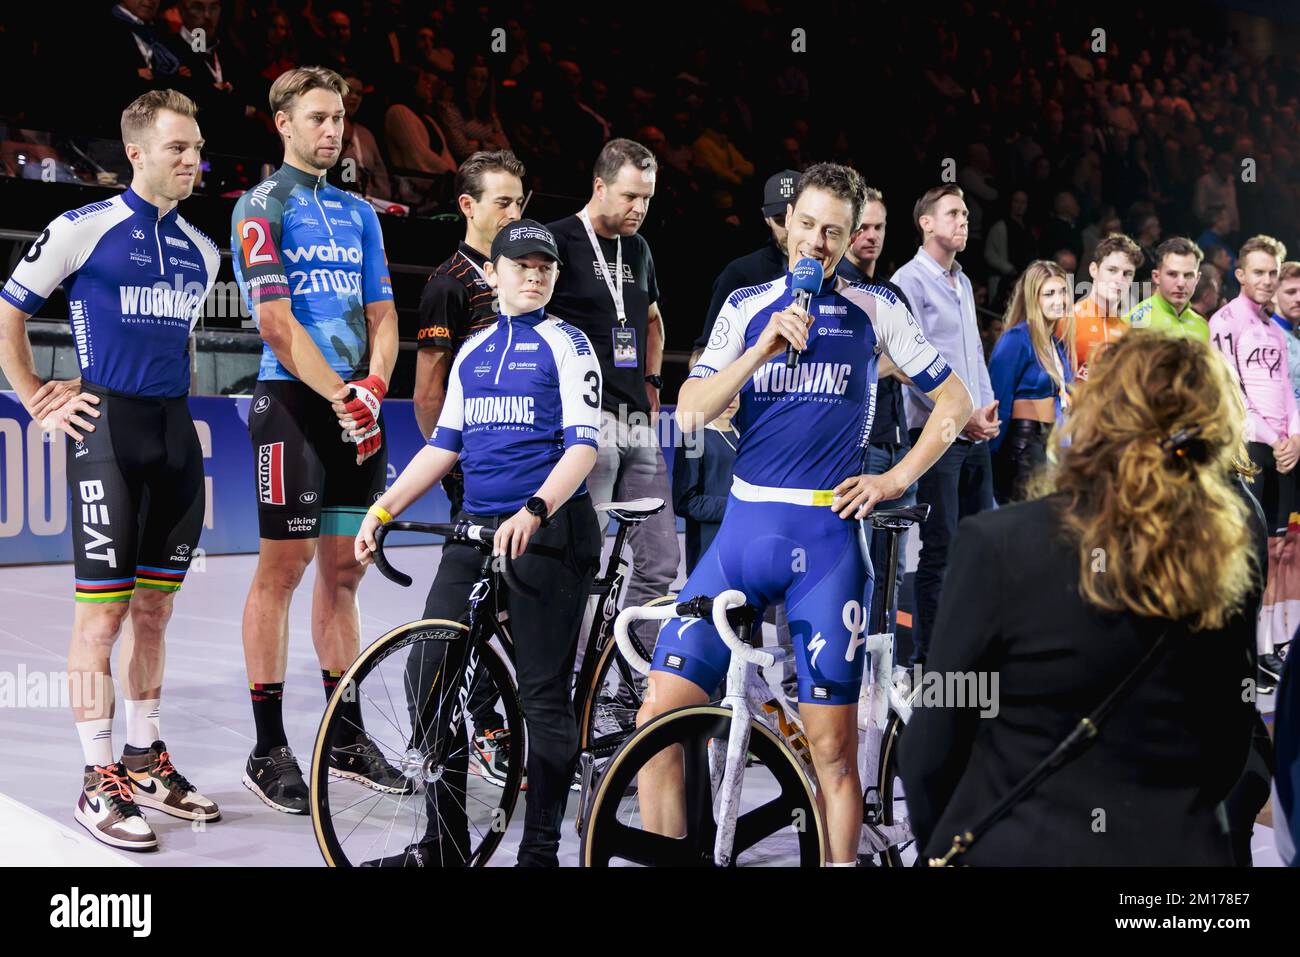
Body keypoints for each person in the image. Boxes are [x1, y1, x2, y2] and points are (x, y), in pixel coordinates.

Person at [639, 163, 973, 866]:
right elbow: (689, 415)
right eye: (810, 225)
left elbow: (956, 404)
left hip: (826, 550)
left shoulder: (877, 308)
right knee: (657, 720)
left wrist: (893, 478)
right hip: (739, 539)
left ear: (853, 237)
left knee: (833, 754)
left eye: (835, 230)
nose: (818, 241)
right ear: (787, 224)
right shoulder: (747, 304)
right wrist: (760, 348)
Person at [901, 331, 1262, 865]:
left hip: (1024, 845)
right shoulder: (1229, 547)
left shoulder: (998, 544)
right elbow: (1230, 739)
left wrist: (955, 842)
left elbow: (932, 743)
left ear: (1098, 415)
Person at [0, 90, 221, 849]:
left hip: (175, 438)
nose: (193, 160)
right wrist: (33, 396)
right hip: (106, 436)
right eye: (178, 149)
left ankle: (144, 757)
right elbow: (9, 310)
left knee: (155, 613)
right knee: (101, 616)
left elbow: (181, 346)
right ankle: (97, 780)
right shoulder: (81, 227)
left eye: (196, 148)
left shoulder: (204, 248)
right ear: (137, 152)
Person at [354, 220, 603, 866]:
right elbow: (444, 446)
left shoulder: (568, 344)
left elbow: (583, 446)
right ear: (491, 275)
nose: (534, 273)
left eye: (544, 265)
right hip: (479, 527)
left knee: (544, 695)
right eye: (520, 264)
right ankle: (444, 842)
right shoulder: (473, 351)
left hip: (549, 531)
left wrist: (538, 507)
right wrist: (382, 508)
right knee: (426, 674)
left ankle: (540, 853)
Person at [231, 66, 401, 814]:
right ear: (284, 125)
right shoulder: (259, 208)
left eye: (339, 118)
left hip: (354, 407)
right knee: (283, 570)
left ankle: (348, 737)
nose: (333, 131)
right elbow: (275, 323)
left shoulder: (361, 213)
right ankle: (267, 746)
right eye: (318, 118)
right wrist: (342, 394)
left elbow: (384, 314)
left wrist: (373, 389)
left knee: (343, 572)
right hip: (294, 404)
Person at [545, 139, 680, 636]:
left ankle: (625, 674)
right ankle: (575, 685)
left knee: (661, 559)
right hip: (585, 423)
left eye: (646, 197)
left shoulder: (639, 248)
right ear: (599, 187)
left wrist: (650, 378)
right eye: (629, 196)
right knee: (583, 558)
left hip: (637, 421)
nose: (639, 209)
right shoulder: (556, 240)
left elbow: (651, 321)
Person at [891, 185, 999, 666]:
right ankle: (930, 662)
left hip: (975, 432)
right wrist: (961, 414)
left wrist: (987, 406)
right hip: (936, 435)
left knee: (980, 549)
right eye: (953, 213)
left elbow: (972, 352)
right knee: (941, 552)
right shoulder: (908, 281)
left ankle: (971, 651)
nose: (963, 221)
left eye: (966, 214)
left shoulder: (961, 280)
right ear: (926, 223)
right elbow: (911, 364)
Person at [1210, 235, 1297, 687]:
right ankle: (1245, 651)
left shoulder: (1275, 329)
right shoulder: (1225, 321)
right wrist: (1272, 438)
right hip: (1249, 449)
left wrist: (1295, 435)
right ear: (1240, 275)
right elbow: (1235, 394)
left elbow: (1286, 388)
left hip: (1283, 448)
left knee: (1279, 548)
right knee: (1251, 553)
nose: (1267, 280)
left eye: (1272, 273)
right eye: (1258, 272)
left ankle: (1270, 646)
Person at [836, 187, 918, 635]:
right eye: (863, 227)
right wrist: (884, 360)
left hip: (898, 443)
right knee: (857, 567)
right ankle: (852, 667)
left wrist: (884, 360)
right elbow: (854, 363)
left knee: (893, 566)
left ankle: (882, 669)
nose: (871, 236)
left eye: (879, 227)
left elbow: (913, 366)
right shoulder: (836, 289)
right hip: (856, 449)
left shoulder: (891, 293)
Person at [988, 261, 1075, 504]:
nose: (1059, 300)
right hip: (1021, 448)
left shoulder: (1059, 346)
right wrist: (991, 457)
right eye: (1049, 294)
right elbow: (998, 400)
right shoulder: (1016, 339)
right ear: (1032, 298)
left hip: (1049, 444)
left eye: (1063, 292)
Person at [695, 169, 799, 349]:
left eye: (797, 218)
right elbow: (705, 350)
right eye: (779, 219)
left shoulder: (836, 273)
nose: (788, 228)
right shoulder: (740, 273)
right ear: (766, 217)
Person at [672, 349, 739, 573]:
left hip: (743, 549)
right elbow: (685, 502)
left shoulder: (745, 435)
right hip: (708, 556)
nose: (730, 395)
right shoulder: (694, 436)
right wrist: (735, 507)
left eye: (735, 384)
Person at [1073, 233, 1142, 380]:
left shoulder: (1128, 332)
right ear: (1094, 270)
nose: (1119, 280)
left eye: (1127, 274)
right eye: (1112, 270)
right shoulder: (1067, 320)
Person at [1123, 236, 1210, 341]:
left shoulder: (1203, 326)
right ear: (1156, 277)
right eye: (1172, 274)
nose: (1181, 283)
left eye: (1188, 275)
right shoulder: (1135, 322)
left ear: (1197, 279)